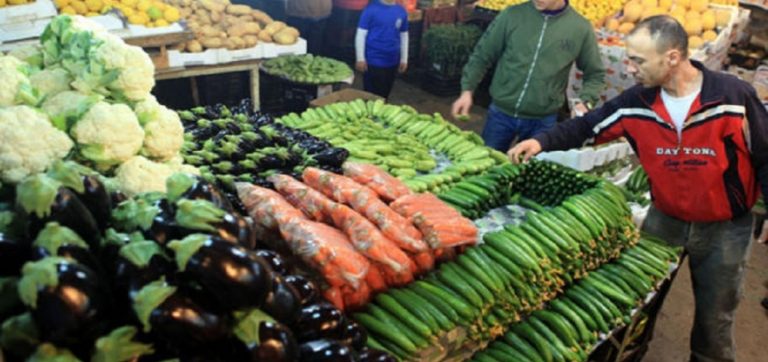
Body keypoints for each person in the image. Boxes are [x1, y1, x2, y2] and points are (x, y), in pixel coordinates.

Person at [509, 15, 768, 362]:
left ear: (672, 57)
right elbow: (588, 125)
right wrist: (541, 142)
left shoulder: (732, 96)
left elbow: (765, 152)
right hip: (665, 221)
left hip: (724, 228)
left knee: (715, 319)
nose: (629, 68)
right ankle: (635, 349)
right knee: (642, 297)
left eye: (638, 60)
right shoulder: (637, 102)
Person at [451, 0, 606, 152]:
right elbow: (482, 55)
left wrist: (586, 102)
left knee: (530, 173)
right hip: (501, 114)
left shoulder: (580, 28)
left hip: (543, 121)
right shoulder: (511, 15)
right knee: (486, 164)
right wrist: (467, 91)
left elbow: (595, 74)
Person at [355, 0, 409, 98]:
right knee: (370, 95)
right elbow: (361, 34)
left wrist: (404, 59)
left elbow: (404, 35)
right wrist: (360, 58)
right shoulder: (370, 9)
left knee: (385, 94)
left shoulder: (401, 11)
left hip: (392, 60)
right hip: (373, 60)